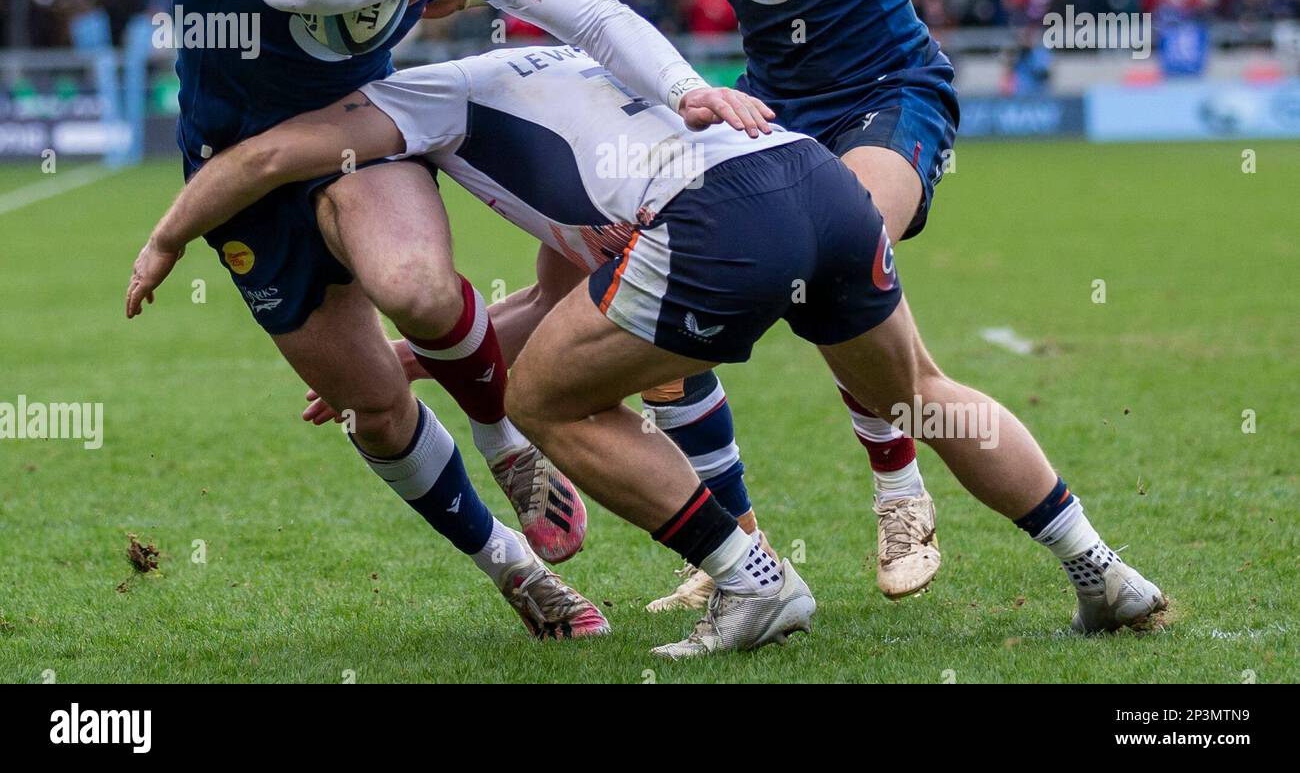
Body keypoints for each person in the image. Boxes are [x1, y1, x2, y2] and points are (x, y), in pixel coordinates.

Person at [430, 0, 1256, 607]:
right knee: (671, 286)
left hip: (887, 93)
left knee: (847, 237)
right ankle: (736, 547)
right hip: (770, 113)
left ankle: (897, 481)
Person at [126, 44, 1168, 658]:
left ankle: (750, 577)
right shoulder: (577, 63)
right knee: (924, 392)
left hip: (714, 222)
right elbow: (565, 301)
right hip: (810, 179)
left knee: (540, 404)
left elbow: (268, 154)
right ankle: (1101, 572)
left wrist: (169, 236)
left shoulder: (413, 98)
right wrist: (411, 362)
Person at [150, 0, 772, 639]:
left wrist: (685, 86)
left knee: (421, 287)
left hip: (362, 128)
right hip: (239, 162)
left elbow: (582, 8)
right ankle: (511, 567)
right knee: (375, 406)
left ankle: (504, 439)